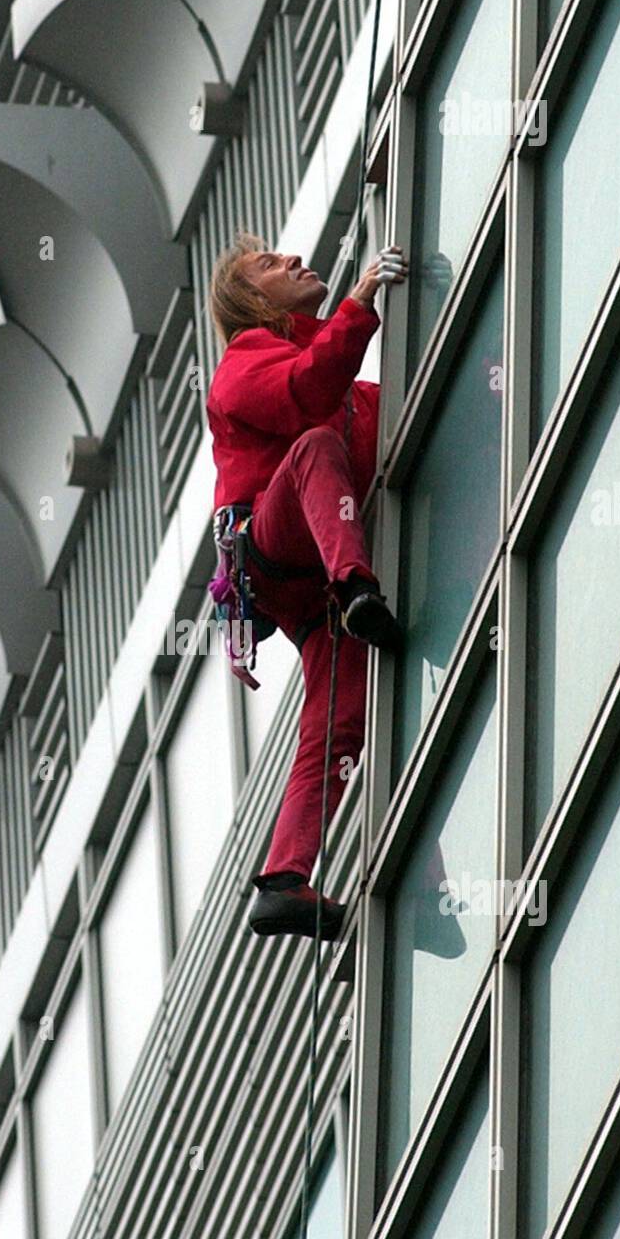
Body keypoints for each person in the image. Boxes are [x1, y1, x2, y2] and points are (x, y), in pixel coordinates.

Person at [207, 233, 409, 941]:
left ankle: (283, 879)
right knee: (313, 449)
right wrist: (358, 304)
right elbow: (302, 396)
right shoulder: (240, 368)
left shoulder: (353, 394)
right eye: (270, 266)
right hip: (288, 555)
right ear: (253, 301)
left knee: (339, 722)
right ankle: (357, 590)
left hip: (313, 581)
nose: (292, 261)